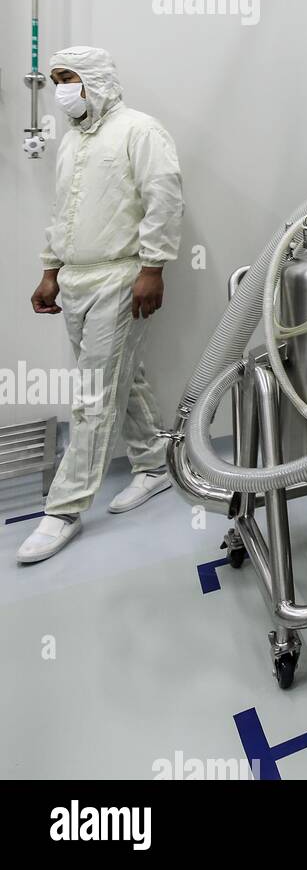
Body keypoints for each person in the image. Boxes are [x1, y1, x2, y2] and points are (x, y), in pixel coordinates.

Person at [20, 47, 184, 564]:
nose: (60, 88)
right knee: (120, 378)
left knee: (93, 391)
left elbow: (165, 196)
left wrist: (153, 268)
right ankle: (155, 464)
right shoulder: (71, 142)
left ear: (94, 80)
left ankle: (63, 508)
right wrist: (50, 272)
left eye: (67, 78)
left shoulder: (140, 130)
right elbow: (61, 211)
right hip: (75, 279)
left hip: (120, 276)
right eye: (54, 80)